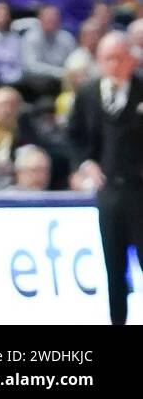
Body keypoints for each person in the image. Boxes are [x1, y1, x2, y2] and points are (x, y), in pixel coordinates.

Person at [66, 32, 143, 326]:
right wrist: (86, 163)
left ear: (131, 59)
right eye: (108, 58)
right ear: (98, 61)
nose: (115, 64)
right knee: (114, 266)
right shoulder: (87, 93)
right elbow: (73, 136)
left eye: (120, 58)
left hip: (140, 190)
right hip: (109, 193)